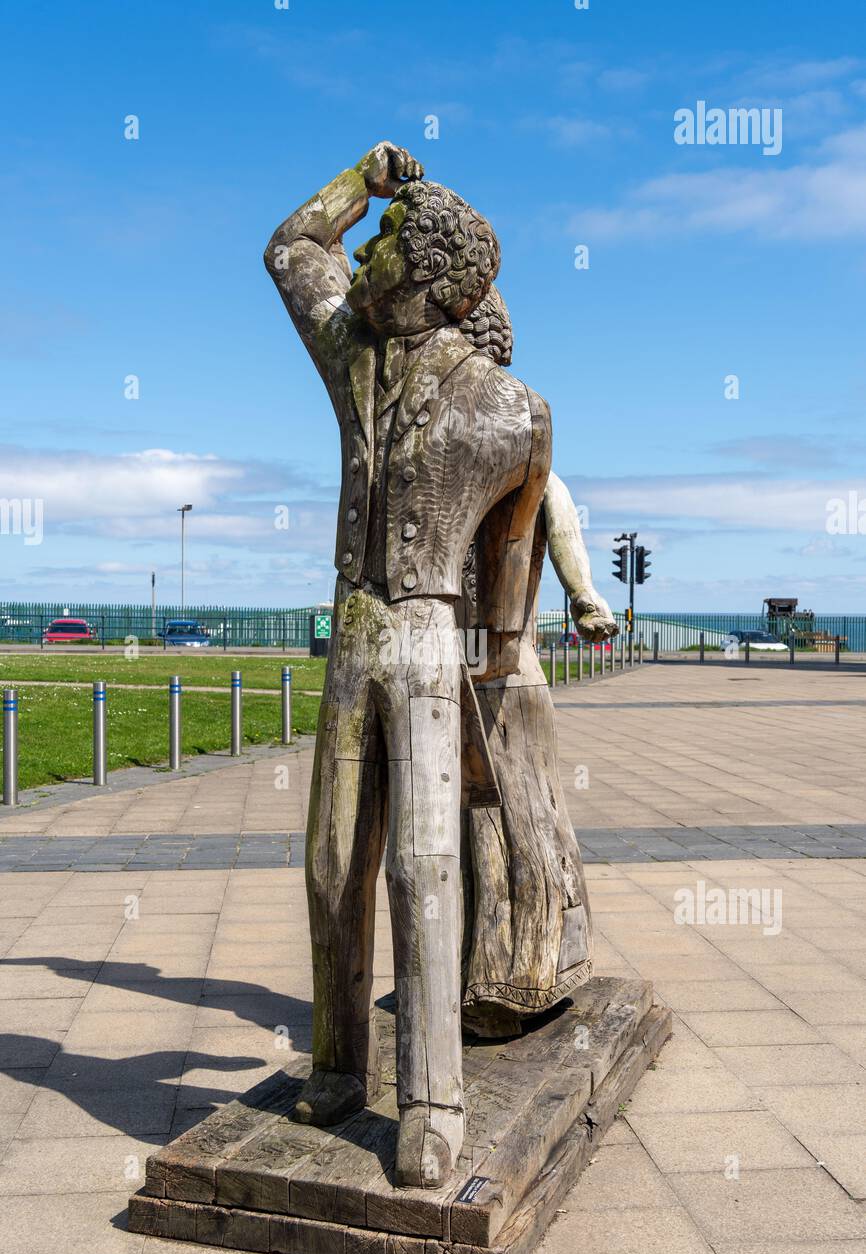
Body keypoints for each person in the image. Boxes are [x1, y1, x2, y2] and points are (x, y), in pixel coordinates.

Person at [264, 144, 551, 1187]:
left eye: (383, 240)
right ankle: (338, 1062)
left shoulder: (511, 413)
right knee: (332, 856)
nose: (366, 250)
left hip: (430, 639)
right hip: (351, 625)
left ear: (430, 278)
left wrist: (501, 654)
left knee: (423, 863)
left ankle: (431, 1098)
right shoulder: (351, 348)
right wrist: (362, 179)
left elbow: (510, 563)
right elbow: (293, 246)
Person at [457, 289, 619, 1036]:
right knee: (470, 830)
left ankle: (529, 967)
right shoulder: (444, 465)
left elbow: (567, 541)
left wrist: (585, 597)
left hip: (510, 673)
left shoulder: (533, 465)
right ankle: (486, 969)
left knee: (527, 818)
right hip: (451, 676)